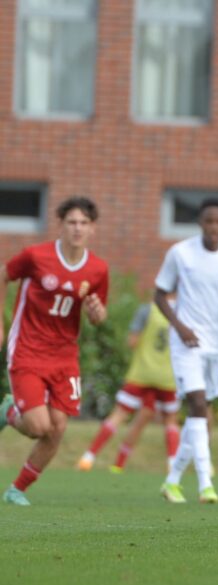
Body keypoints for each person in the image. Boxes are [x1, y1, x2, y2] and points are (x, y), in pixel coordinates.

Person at [0, 196, 109, 506]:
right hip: (28, 350)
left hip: (64, 357)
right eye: (72, 222)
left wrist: (97, 311)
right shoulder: (36, 257)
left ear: (92, 229)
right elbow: (4, 274)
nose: (77, 228)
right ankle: (9, 411)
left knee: (57, 428)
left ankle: (16, 489)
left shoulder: (98, 269)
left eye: (83, 223)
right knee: (37, 426)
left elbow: (98, 317)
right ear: (60, 225)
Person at [156, 199, 218, 504]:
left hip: (215, 346)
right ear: (200, 223)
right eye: (208, 221)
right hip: (185, 344)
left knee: (201, 410)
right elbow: (159, 295)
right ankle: (204, 483)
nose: (213, 227)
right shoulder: (181, 253)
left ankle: (172, 481)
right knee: (198, 404)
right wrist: (180, 326)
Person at [77, 300, 180, 474]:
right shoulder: (184, 312)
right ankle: (172, 465)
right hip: (168, 377)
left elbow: (132, 341)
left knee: (119, 415)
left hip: (142, 374)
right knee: (170, 421)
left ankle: (88, 458)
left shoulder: (148, 310)